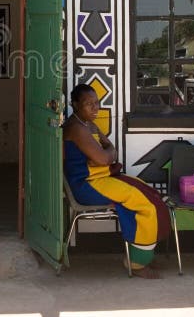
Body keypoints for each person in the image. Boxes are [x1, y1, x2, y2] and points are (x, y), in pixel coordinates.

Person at [64, 84, 169, 278]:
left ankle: (145, 253)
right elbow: (105, 158)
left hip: (102, 178)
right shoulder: (76, 128)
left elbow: (109, 150)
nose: (95, 108)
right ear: (75, 104)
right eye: (89, 104)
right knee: (144, 204)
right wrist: (107, 155)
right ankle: (137, 263)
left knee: (149, 192)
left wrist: (107, 154)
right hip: (87, 185)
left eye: (97, 103)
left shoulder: (88, 124)